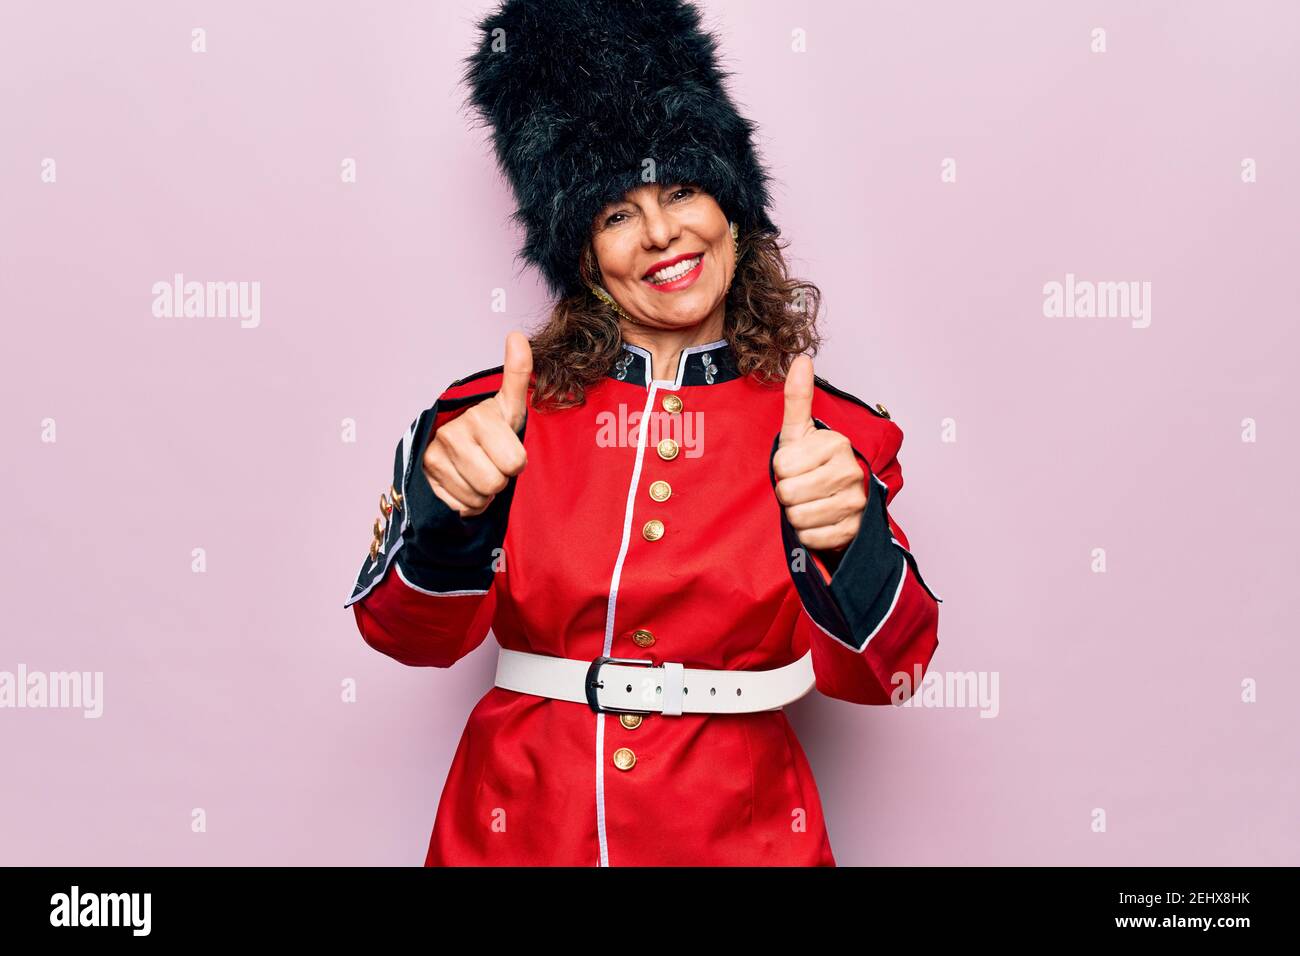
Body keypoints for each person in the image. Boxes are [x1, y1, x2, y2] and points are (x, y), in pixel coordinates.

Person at [344, 0, 942, 866]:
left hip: (744, 840)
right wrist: (450, 514)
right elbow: (404, 637)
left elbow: (892, 677)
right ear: (581, 253)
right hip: (514, 831)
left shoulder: (838, 435)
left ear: (733, 208)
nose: (661, 232)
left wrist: (849, 541)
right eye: (617, 213)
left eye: (683, 190)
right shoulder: (480, 420)